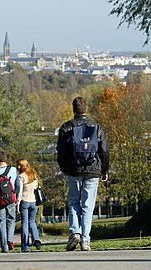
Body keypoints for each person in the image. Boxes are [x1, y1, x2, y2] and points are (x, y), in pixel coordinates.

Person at [57, 96, 109, 251]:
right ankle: (85, 240)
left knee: (74, 202)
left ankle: (75, 232)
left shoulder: (66, 127)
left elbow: (60, 151)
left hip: (73, 169)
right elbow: (104, 150)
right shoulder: (96, 126)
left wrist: (64, 167)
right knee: (88, 205)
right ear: (86, 108)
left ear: (74, 109)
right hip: (93, 169)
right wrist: (104, 169)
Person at [0, 150, 19, 253]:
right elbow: (18, 185)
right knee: (11, 220)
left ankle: (4, 246)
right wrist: (16, 197)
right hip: (11, 200)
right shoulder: (13, 170)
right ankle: (10, 240)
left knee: (0, 223)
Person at [16, 158, 42, 252]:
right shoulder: (33, 175)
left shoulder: (21, 176)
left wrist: (17, 203)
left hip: (25, 201)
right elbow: (36, 187)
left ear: (20, 166)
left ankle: (25, 246)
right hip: (34, 201)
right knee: (32, 222)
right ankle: (36, 239)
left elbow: (19, 191)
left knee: (24, 224)